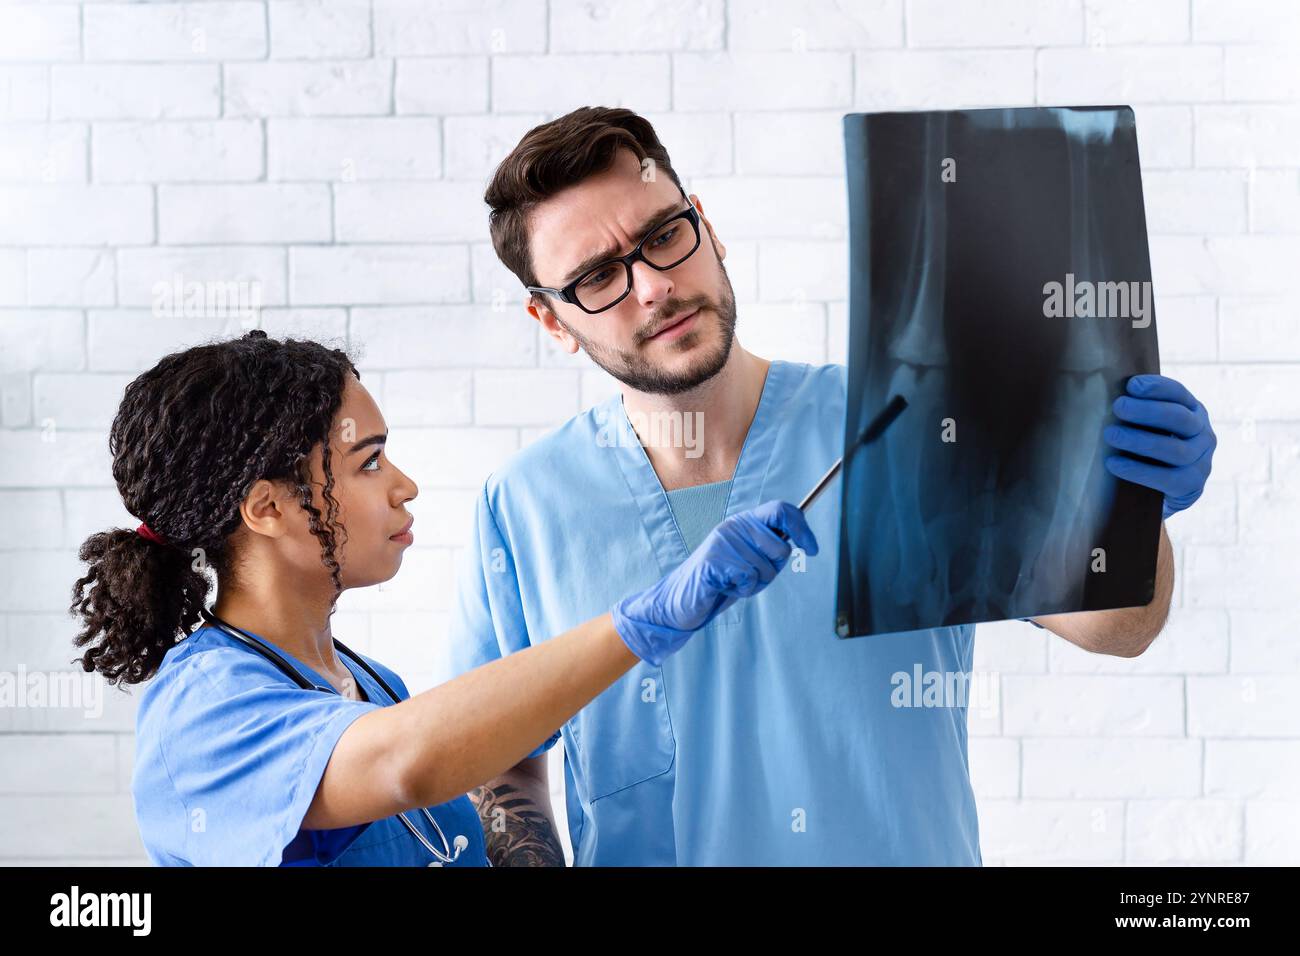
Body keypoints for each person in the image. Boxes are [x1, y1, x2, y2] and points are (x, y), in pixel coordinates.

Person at [441, 106, 1219, 865]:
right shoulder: (526, 508)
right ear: (551, 322)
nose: (653, 287)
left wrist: (1131, 503)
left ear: (705, 226)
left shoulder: (906, 429)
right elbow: (490, 757)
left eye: (662, 237)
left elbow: (1118, 628)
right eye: (598, 277)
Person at [70, 330, 816, 866]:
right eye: (368, 462)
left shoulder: (370, 686)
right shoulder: (204, 710)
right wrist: (639, 625)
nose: (404, 486)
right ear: (266, 509)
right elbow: (406, 764)